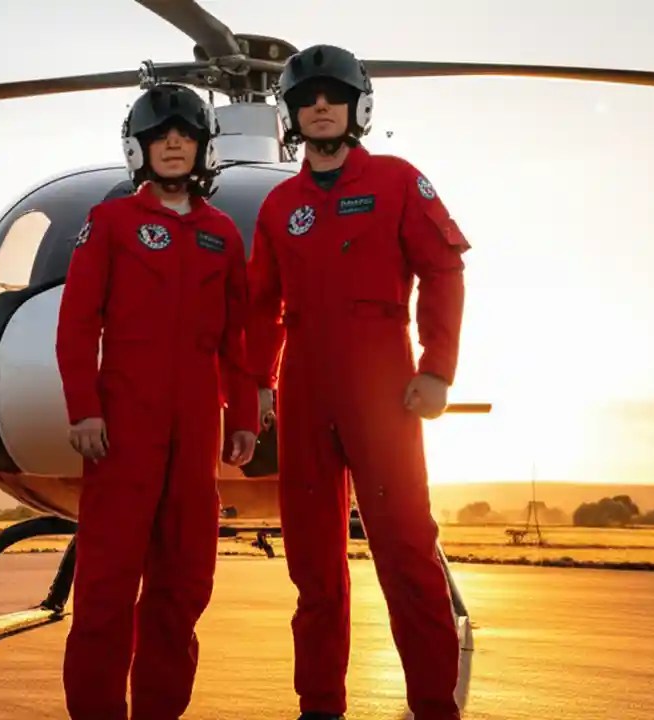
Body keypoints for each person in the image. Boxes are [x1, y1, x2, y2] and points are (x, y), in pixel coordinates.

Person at [246, 44, 472, 720]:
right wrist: (259, 385)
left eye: (332, 96)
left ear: (357, 107)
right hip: (305, 382)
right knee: (313, 565)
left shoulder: (400, 180)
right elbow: (260, 305)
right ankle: (320, 706)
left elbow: (443, 270)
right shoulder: (279, 203)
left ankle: (434, 705)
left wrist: (436, 368)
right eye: (307, 97)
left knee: (405, 549)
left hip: (381, 378)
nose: (320, 106)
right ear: (291, 113)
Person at [55, 82, 261, 720]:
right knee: (105, 589)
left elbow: (238, 337)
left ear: (202, 149)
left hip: (196, 429)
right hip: (124, 425)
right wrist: (84, 407)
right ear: (138, 149)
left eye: (185, 136)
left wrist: (246, 416)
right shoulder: (110, 222)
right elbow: (77, 323)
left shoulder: (222, 233)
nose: (172, 145)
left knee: (184, 585)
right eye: (159, 136)